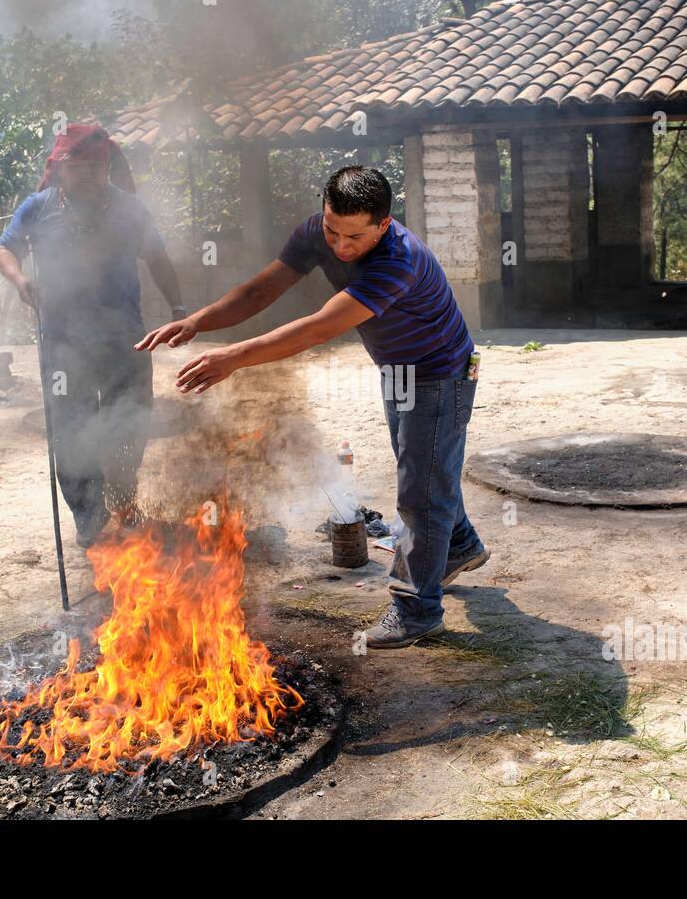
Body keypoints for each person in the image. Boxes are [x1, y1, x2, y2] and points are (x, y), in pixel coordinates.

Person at [139, 165, 490, 648]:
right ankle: (461, 544)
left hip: (439, 375)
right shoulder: (317, 232)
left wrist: (234, 358)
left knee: (421, 491)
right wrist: (200, 321)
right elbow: (263, 289)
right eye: (331, 230)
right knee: (428, 470)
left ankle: (416, 611)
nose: (340, 247)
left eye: (354, 237)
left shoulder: (397, 262)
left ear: (384, 225)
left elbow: (319, 328)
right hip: (399, 370)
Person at [0, 123, 187, 549]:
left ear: (107, 168)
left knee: (128, 424)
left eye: (96, 167)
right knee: (71, 429)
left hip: (125, 339)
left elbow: (157, 257)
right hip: (63, 344)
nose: (87, 175)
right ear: (61, 168)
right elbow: (4, 248)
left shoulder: (130, 209)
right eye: (77, 167)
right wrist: (20, 280)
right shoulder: (38, 208)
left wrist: (178, 309)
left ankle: (122, 504)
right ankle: (89, 518)